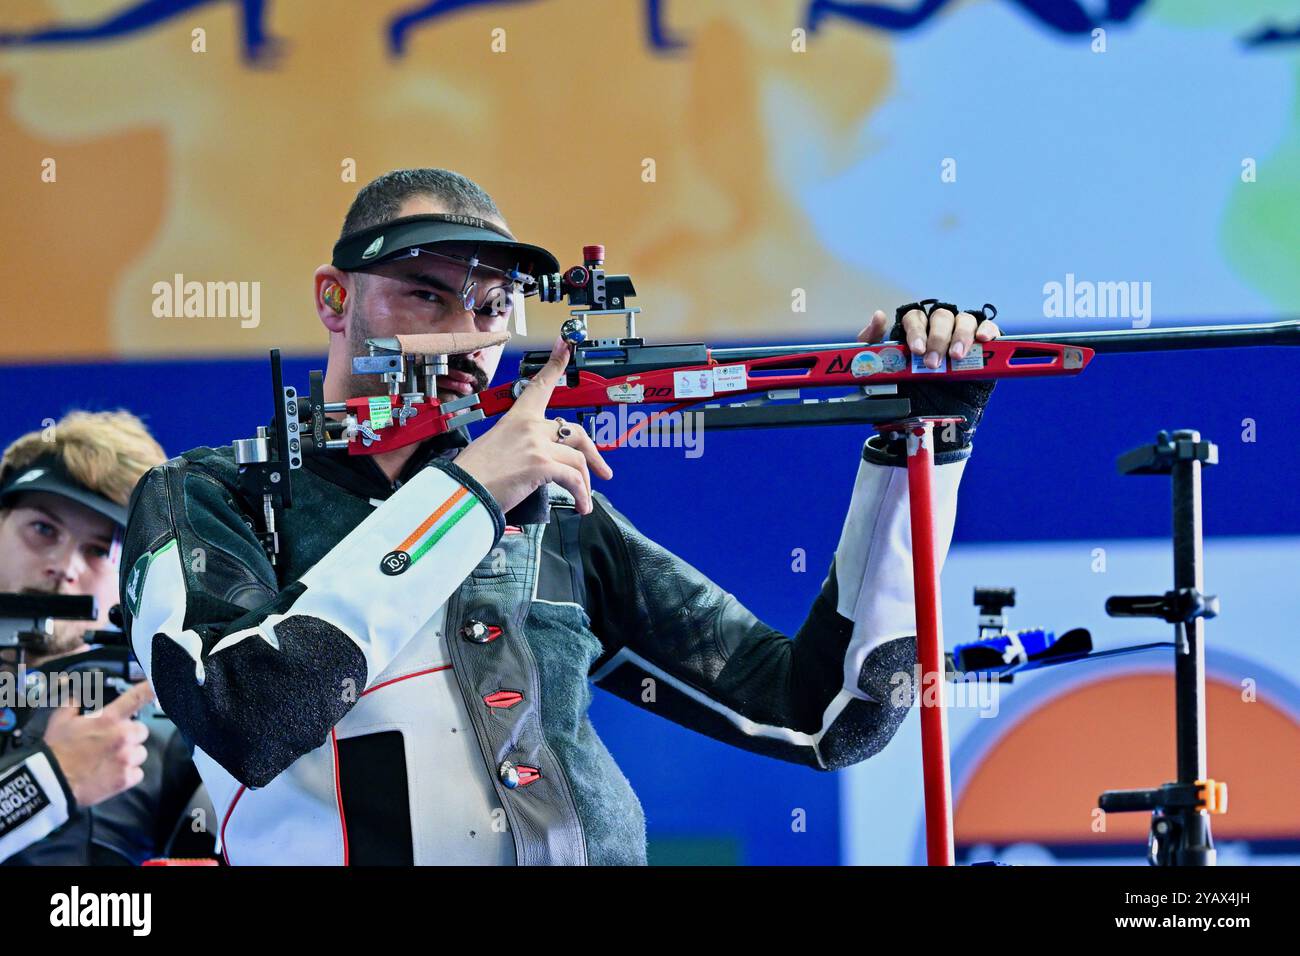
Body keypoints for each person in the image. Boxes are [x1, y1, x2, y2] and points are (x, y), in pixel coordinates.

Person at [120, 168, 1001, 865]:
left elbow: (832, 715)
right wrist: (466, 496)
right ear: (333, 298)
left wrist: (922, 447)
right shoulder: (209, 496)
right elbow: (244, 717)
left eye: (495, 306)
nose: (470, 334)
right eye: (425, 295)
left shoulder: (551, 512)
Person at [0, 410, 212, 864]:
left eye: (98, 550)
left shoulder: (172, 724)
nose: (66, 566)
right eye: (43, 529)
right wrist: (52, 780)